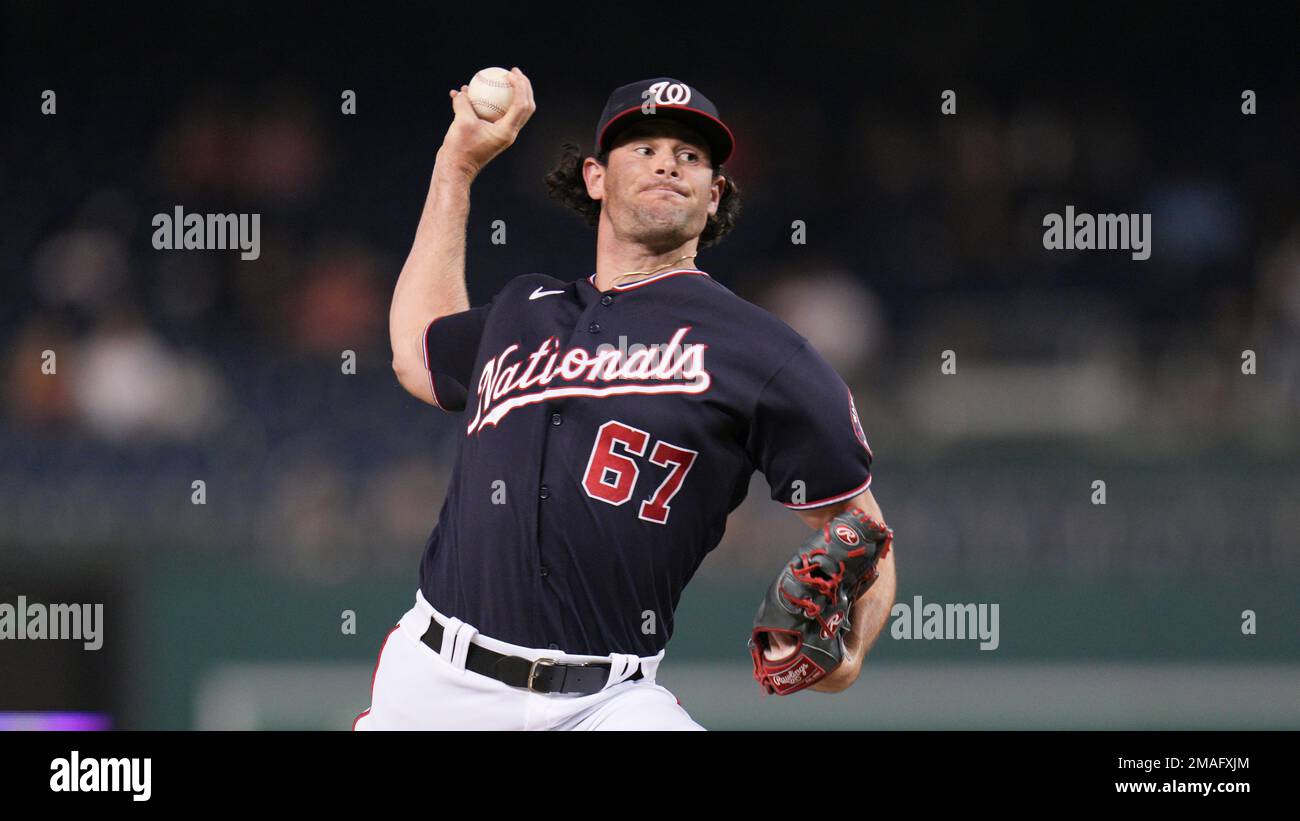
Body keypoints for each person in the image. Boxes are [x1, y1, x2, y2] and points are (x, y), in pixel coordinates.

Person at [355, 71, 896, 730]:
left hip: (608, 702)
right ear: (595, 178)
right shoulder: (525, 310)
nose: (668, 160)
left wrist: (849, 653)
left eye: (691, 154)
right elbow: (416, 351)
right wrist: (456, 166)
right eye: (642, 146)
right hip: (437, 682)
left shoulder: (762, 350)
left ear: (714, 194)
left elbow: (863, 529)